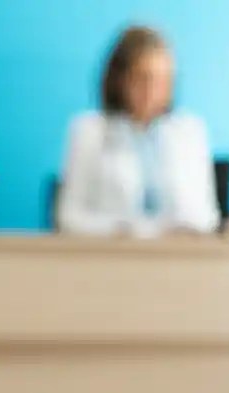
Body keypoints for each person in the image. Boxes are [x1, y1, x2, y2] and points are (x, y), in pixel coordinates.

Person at [57, 26, 219, 237]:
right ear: (120, 79)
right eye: (143, 78)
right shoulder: (88, 130)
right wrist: (125, 229)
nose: (153, 91)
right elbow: (69, 218)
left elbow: (207, 217)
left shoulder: (189, 132)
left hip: (177, 258)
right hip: (109, 257)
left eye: (163, 80)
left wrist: (175, 228)